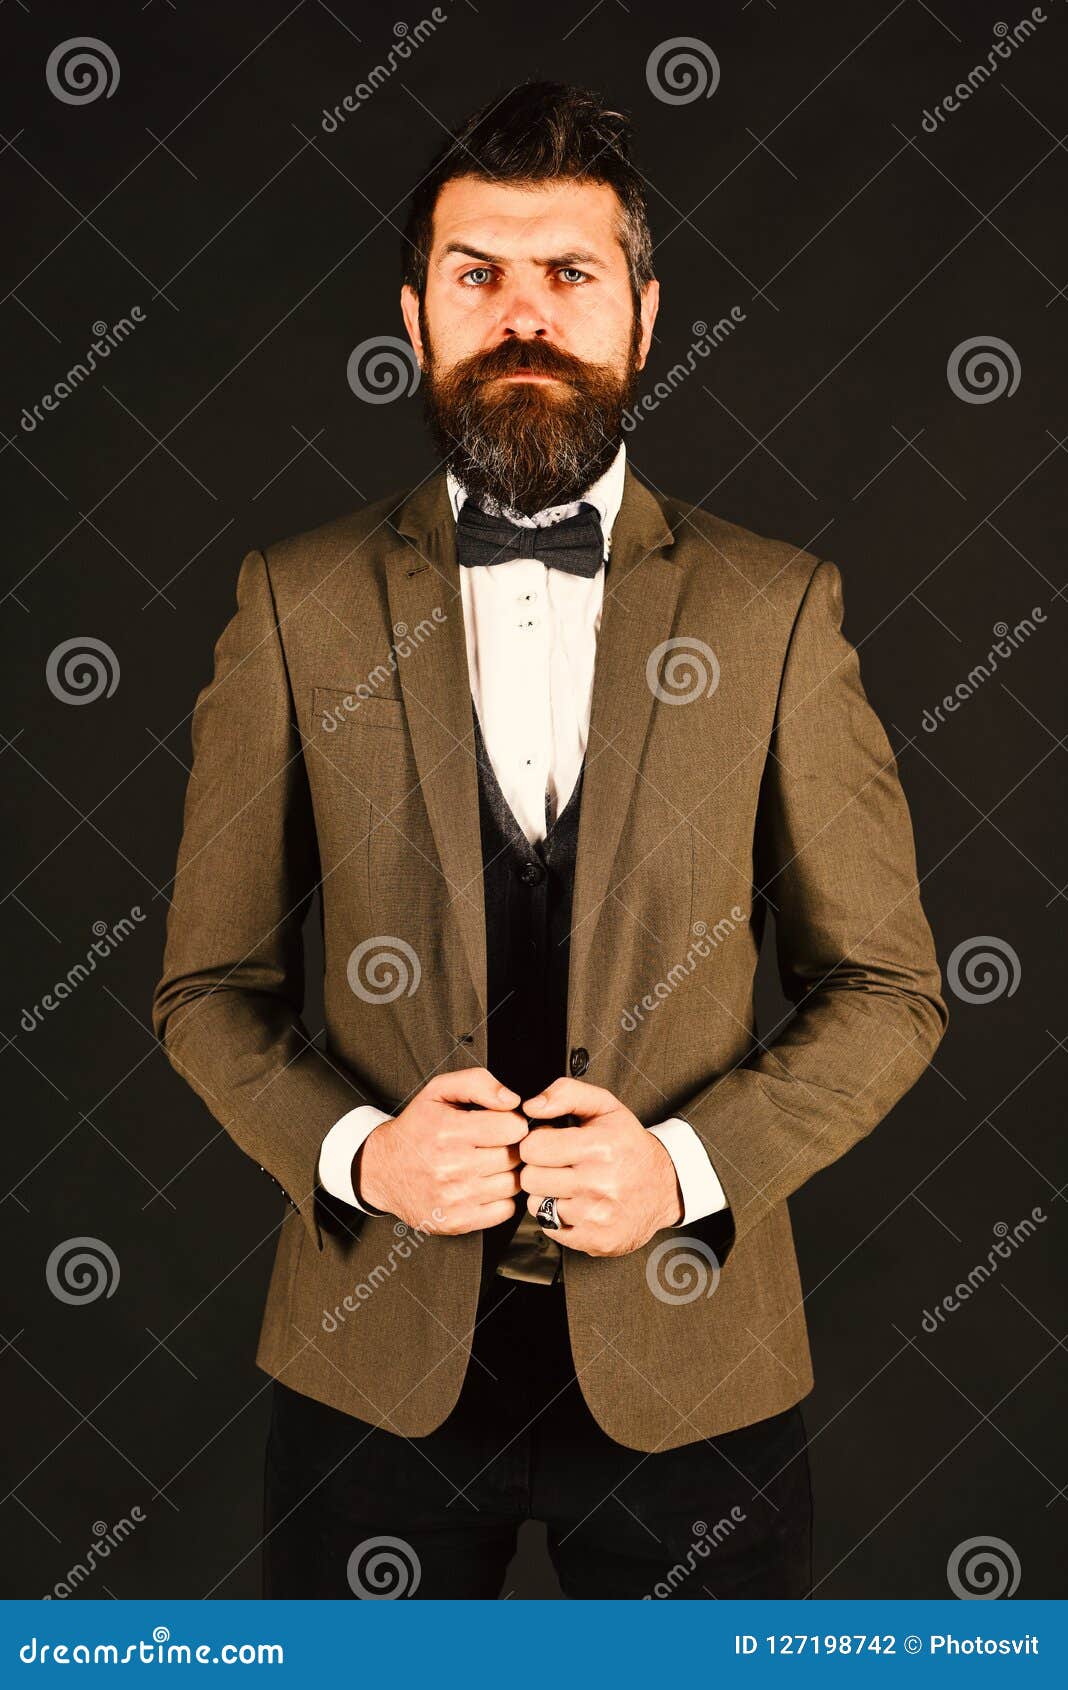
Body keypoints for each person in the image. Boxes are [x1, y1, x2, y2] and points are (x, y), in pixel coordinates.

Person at [152, 80, 947, 1599]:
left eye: (569, 275)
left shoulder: (774, 609)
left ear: (643, 318)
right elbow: (208, 988)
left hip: (696, 1371)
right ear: (416, 311)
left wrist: (689, 1165)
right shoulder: (293, 603)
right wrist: (361, 1150)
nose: (525, 315)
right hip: (367, 1375)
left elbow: (890, 991)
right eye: (479, 276)